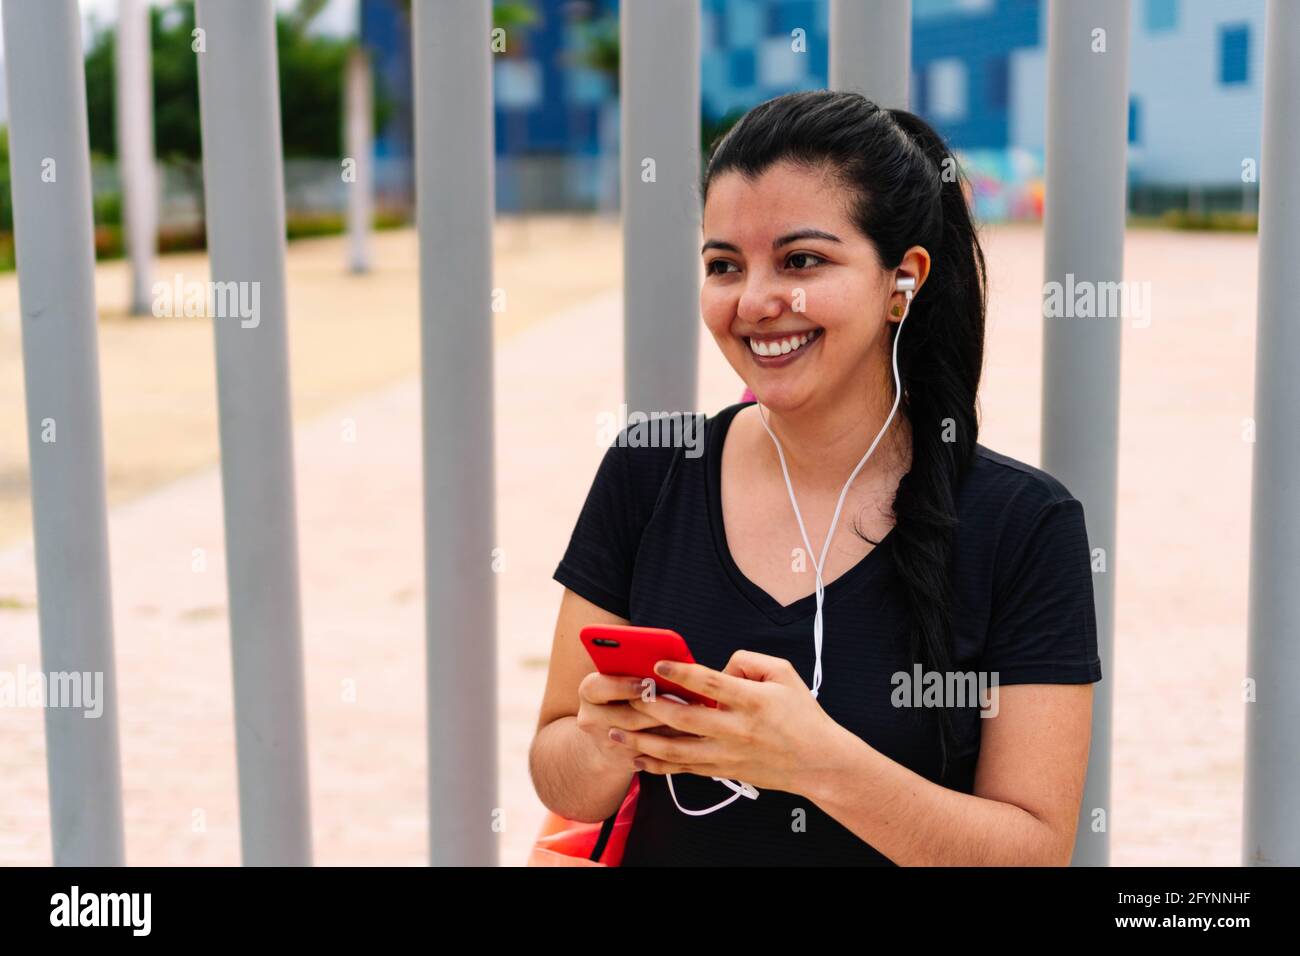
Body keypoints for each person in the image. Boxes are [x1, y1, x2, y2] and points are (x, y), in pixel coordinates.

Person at [529, 90, 1101, 866]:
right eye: (724, 265)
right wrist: (605, 738)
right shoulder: (648, 471)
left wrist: (816, 763)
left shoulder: (1025, 525)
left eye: (802, 260)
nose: (757, 301)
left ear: (902, 281)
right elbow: (561, 777)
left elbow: (1034, 852)